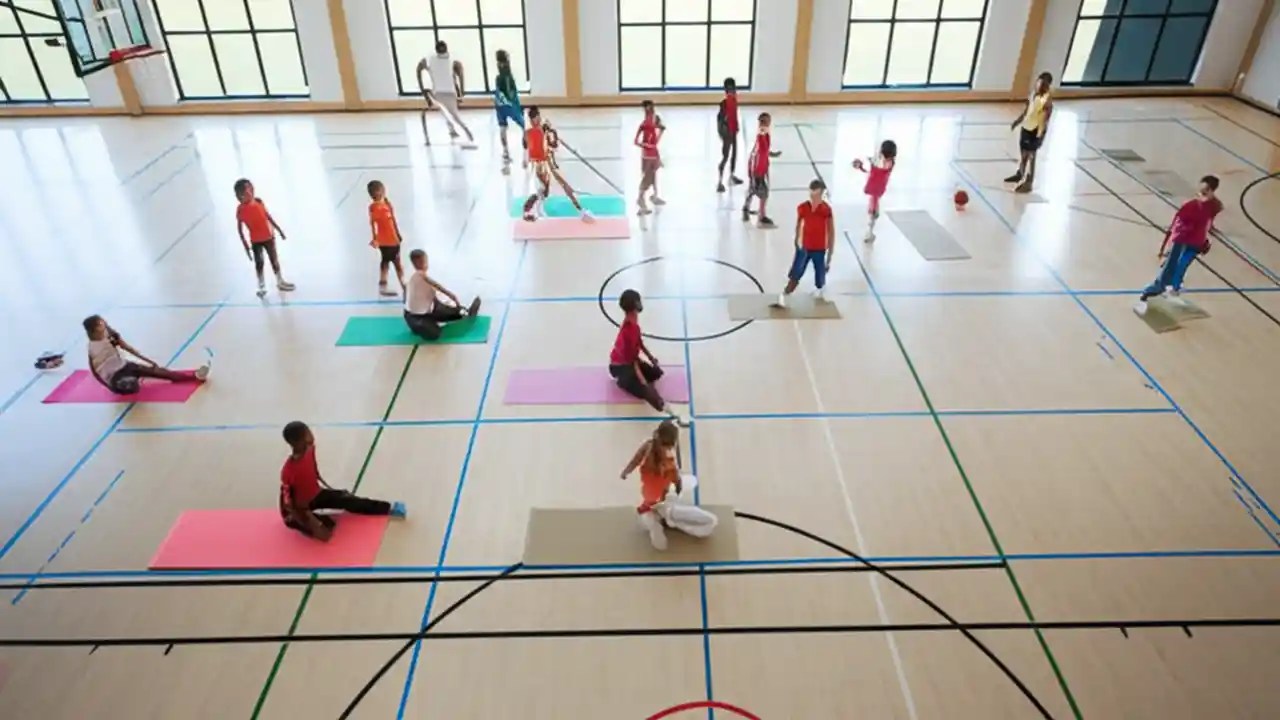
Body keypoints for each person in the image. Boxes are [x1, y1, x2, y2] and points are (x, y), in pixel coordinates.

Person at [279, 421, 405, 541]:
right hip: (297, 509)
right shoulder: (289, 472)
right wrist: (313, 524)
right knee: (328, 532)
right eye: (308, 433)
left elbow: (314, 471)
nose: (312, 435)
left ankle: (388, 508)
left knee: (345, 498)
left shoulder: (310, 448)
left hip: (315, 495)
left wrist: (330, 491)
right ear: (300, 441)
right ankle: (297, 523)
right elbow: (290, 505)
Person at [619, 420, 716, 550]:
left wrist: (626, 471)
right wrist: (677, 487)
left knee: (659, 498)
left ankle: (659, 516)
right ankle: (662, 521)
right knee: (710, 522)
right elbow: (674, 480)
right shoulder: (667, 463)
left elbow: (636, 460)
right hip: (660, 500)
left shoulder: (649, 445)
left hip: (655, 493)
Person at [1138, 175, 1223, 307]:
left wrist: (1208, 234)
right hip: (1182, 239)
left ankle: (1174, 288)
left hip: (1196, 242)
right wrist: (1165, 247)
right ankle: (1157, 288)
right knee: (1171, 264)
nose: (1202, 193)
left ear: (1212, 191)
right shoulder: (1190, 206)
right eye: (1201, 189)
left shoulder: (1215, 206)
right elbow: (1174, 225)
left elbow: (1210, 219)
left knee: (1182, 264)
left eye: (1206, 190)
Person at [609, 290, 687, 426]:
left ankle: (636, 382)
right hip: (620, 367)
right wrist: (642, 380)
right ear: (635, 305)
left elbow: (639, 342)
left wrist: (651, 359)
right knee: (645, 392)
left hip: (631, 361)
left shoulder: (633, 323)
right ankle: (623, 382)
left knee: (656, 374)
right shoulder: (629, 328)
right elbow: (633, 361)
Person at [82, 315, 209, 395]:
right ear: (95, 329)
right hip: (114, 377)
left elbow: (129, 349)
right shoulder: (92, 348)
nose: (104, 322)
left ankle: (195, 376)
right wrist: (107, 385)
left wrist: (149, 362)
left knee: (160, 372)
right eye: (100, 323)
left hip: (126, 366)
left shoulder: (109, 334)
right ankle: (127, 382)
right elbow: (94, 370)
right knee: (132, 387)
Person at [520, 106, 593, 223]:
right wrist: (525, 159)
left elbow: (553, 144)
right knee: (544, 191)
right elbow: (527, 147)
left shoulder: (544, 129)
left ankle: (581, 210)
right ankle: (531, 210)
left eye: (538, 117)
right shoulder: (531, 132)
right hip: (540, 165)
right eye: (534, 118)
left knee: (563, 185)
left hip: (548, 162)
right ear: (531, 120)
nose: (537, 120)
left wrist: (553, 139)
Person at [774, 179, 834, 308]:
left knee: (820, 271)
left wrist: (829, 255)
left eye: (818, 196)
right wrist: (796, 241)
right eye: (813, 195)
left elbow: (831, 231)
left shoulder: (826, 210)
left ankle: (819, 290)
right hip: (804, 247)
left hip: (819, 248)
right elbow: (798, 225)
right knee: (796, 270)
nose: (815, 199)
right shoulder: (803, 208)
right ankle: (787, 293)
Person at [234, 179, 296, 298]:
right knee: (259, 263)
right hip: (256, 241)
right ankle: (261, 286)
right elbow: (240, 230)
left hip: (269, 237)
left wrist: (279, 230)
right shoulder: (240, 210)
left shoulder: (258, 201)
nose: (250, 192)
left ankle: (280, 281)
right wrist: (246, 246)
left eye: (251, 189)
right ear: (240, 195)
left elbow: (268, 217)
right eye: (247, 191)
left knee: (274, 260)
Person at [403, 249, 482, 340]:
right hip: (415, 315)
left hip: (428, 310)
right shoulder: (420, 275)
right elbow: (436, 285)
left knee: (450, 312)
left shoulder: (414, 279)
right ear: (417, 263)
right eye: (424, 261)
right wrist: (452, 295)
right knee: (434, 334)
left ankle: (464, 312)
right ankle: (421, 326)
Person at [416, 40, 475, 146]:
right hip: (442, 93)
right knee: (451, 114)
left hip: (445, 93)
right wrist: (461, 92)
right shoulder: (436, 59)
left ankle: (460, 132)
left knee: (451, 114)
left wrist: (461, 92)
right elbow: (460, 74)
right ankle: (462, 132)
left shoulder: (436, 59)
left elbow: (459, 74)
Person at [1006, 71, 1054, 194]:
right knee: (1023, 153)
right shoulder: (1032, 95)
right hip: (1026, 127)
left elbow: (1045, 119)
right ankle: (1020, 173)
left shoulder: (1047, 101)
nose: (1038, 85)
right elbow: (1027, 111)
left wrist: (1040, 135)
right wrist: (1018, 121)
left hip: (1035, 130)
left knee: (1031, 155)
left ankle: (1029, 182)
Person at [852, 139, 898, 243]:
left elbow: (868, 168)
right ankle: (870, 228)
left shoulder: (879, 162)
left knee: (873, 205)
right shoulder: (890, 163)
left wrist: (861, 165)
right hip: (879, 188)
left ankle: (870, 229)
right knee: (873, 204)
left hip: (873, 186)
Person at [367, 180, 405, 298]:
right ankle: (404, 286)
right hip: (389, 242)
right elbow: (381, 224)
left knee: (385, 262)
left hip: (387, 241)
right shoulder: (379, 208)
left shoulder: (380, 206)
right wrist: (395, 238)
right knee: (397, 264)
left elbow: (390, 221)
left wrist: (376, 238)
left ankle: (383, 285)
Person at [742, 112, 781, 228]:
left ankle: (746, 209)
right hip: (758, 170)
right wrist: (757, 172)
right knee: (763, 193)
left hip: (757, 168)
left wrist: (772, 154)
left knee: (752, 190)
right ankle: (761, 216)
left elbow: (763, 150)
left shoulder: (763, 134)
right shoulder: (762, 134)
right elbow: (761, 151)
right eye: (768, 121)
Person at [493, 49, 525, 168]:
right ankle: (527, 148)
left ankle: (505, 151)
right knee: (524, 125)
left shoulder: (498, 73)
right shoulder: (506, 73)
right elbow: (510, 91)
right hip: (509, 104)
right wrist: (514, 103)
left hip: (499, 104)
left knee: (502, 127)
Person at [634, 99, 666, 215]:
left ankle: (654, 196)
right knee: (647, 179)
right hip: (648, 156)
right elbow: (637, 141)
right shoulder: (645, 124)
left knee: (653, 177)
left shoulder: (653, 122)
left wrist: (660, 132)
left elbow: (655, 143)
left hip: (653, 154)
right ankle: (640, 200)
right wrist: (647, 146)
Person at [716, 77, 742, 192]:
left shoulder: (734, 100)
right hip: (727, 133)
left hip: (734, 131)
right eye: (730, 88)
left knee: (734, 154)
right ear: (726, 89)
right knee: (725, 156)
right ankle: (719, 182)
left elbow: (734, 116)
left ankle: (731, 176)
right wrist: (723, 133)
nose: (733, 90)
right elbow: (721, 119)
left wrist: (736, 127)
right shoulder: (724, 103)